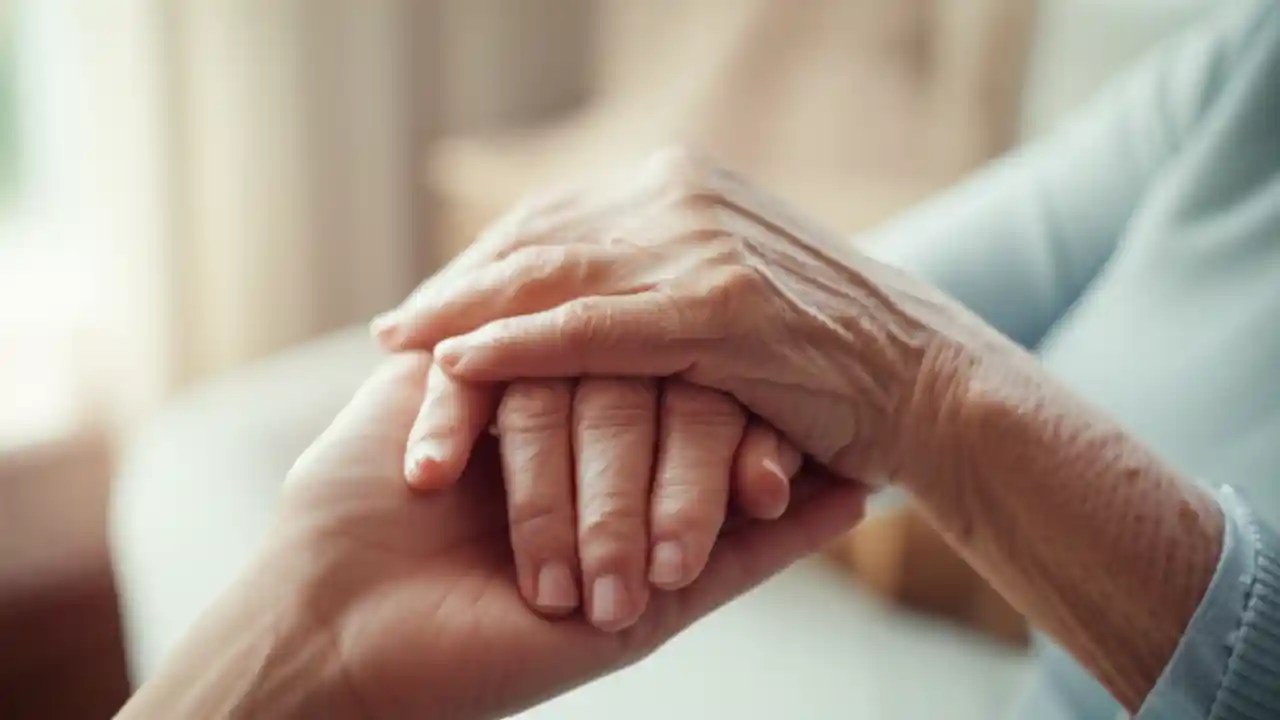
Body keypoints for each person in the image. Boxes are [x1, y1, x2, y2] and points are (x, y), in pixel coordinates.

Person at [123, 1, 1279, 717]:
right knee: (212, 460)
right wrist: (312, 635)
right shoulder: (1250, 63)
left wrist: (923, 393)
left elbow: (891, 343)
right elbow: (834, 303)